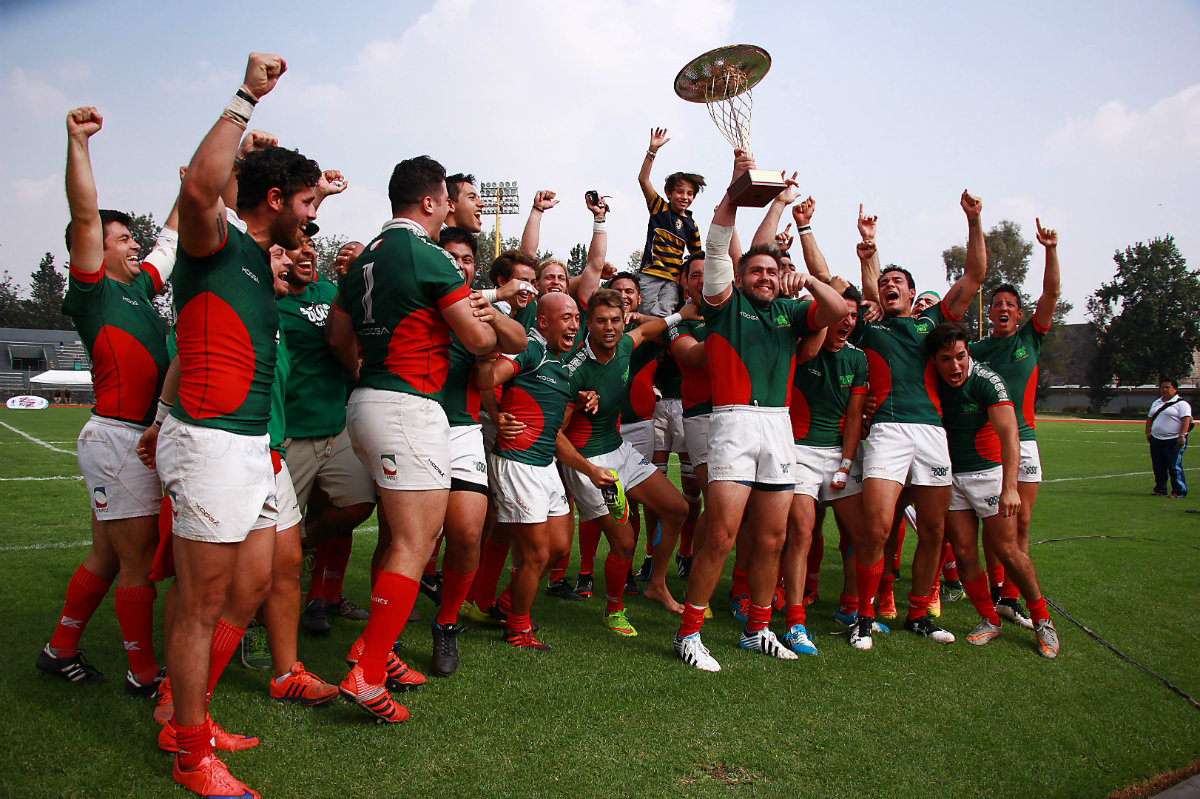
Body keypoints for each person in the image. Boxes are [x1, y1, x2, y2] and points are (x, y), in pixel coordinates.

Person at [156, 52, 320, 798]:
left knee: (251, 583)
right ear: (278, 198)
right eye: (309, 201)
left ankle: (188, 709)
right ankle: (189, 750)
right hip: (213, 441)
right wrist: (246, 96)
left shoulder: (260, 258)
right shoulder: (214, 241)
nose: (314, 214)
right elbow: (198, 185)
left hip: (254, 444)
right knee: (200, 604)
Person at [326, 154, 497, 720]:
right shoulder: (428, 255)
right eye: (447, 198)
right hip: (408, 405)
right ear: (428, 202)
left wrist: (366, 375)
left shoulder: (365, 255)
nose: (450, 206)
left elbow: (338, 336)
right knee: (415, 543)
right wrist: (486, 318)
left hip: (367, 400)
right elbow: (475, 342)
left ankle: (374, 651)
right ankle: (368, 670)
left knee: (403, 536)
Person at [673, 150, 849, 672]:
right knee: (722, 534)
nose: (766, 278)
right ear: (741, 275)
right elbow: (718, 238)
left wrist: (810, 283)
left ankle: (758, 628)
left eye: (773, 271)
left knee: (773, 535)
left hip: (777, 427)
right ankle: (689, 633)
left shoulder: (793, 311)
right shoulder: (724, 303)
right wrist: (735, 191)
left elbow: (839, 312)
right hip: (731, 422)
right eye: (758, 271)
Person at [39, 106, 178, 695]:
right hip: (120, 438)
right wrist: (78, 144)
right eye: (122, 238)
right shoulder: (94, 294)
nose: (133, 245)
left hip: (130, 437)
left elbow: (172, 238)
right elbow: (84, 215)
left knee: (104, 555)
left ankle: (60, 648)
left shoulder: (143, 289)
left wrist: (190, 186)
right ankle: (143, 672)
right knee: (135, 561)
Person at [848, 191, 988, 650]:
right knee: (876, 529)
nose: (889, 286)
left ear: (912, 293)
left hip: (931, 433)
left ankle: (917, 614)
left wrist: (973, 220)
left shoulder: (933, 325)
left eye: (898, 282)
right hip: (887, 432)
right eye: (884, 281)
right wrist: (869, 250)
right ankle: (864, 616)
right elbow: (868, 287)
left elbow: (974, 276)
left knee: (934, 530)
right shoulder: (870, 326)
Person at [928, 322, 1059, 658]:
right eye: (947, 359)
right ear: (935, 360)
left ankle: (1043, 620)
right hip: (952, 477)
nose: (955, 366)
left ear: (968, 352)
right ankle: (989, 619)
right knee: (964, 552)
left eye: (960, 356)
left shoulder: (988, 381)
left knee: (1008, 550)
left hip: (988, 475)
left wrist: (1010, 487)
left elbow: (1010, 435)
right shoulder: (930, 378)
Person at [432, 225, 527, 674]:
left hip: (463, 427)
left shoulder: (477, 305)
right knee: (405, 536)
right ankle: (385, 626)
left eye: (468, 260)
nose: (460, 265)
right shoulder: (420, 302)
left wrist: (491, 306)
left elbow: (519, 342)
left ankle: (446, 623)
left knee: (469, 533)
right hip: (414, 422)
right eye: (451, 258)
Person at [475, 292, 588, 651]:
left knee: (557, 549)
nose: (572, 324)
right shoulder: (533, 351)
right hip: (517, 463)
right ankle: (517, 628)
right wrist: (495, 414)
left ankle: (508, 604)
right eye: (564, 317)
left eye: (575, 317)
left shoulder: (561, 362)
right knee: (536, 555)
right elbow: (486, 379)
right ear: (542, 323)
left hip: (545, 465)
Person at [970, 218, 1061, 624]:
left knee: (1021, 518)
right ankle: (995, 586)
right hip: (988, 443)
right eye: (997, 304)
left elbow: (1052, 292)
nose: (1003, 308)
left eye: (1010, 304)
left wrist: (1049, 249)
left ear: (1020, 313)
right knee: (996, 521)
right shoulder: (977, 349)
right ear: (989, 312)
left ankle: (1010, 595)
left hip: (1025, 441)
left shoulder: (1030, 339)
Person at [636, 127, 705, 315]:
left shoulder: (692, 225)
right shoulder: (660, 208)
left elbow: (696, 256)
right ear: (669, 193)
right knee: (646, 312)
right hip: (651, 274)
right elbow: (643, 180)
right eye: (680, 192)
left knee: (665, 313)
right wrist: (652, 151)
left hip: (673, 279)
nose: (685, 197)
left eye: (690, 193)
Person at [1148, 379, 1191, 498]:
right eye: (1163, 387)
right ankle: (1160, 489)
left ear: (1175, 389)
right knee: (1158, 466)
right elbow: (1150, 418)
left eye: (1168, 387)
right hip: (1157, 439)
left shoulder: (1181, 404)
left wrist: (1182, 435)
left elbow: (1186, 420)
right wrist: (1148, 433)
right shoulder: (1157, 402)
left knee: (1174, 466)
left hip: (1173, 440)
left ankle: (1179, 491)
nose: (1164, 390)